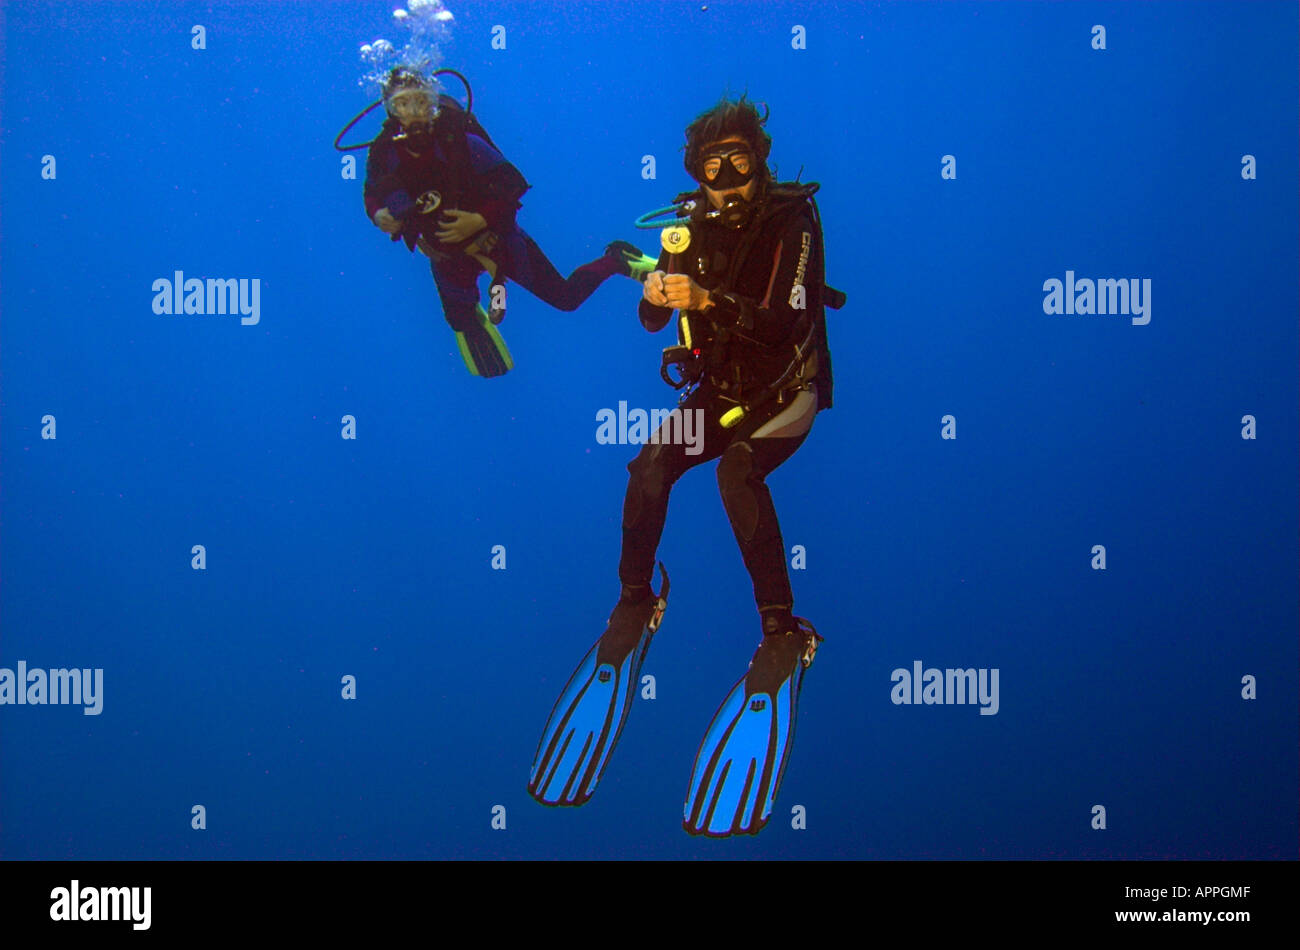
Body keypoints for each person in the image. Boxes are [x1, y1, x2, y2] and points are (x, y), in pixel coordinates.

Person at [528, 96, 842, 837]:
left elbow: (787, 322)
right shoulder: (687, 225)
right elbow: (651, 321)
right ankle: (635, 603)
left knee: (738, 474)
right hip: (720, 391)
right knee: (647, 468)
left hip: (785, 393)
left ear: (761, 160)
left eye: (741, 161)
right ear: (695, 172)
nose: (728, 180)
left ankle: (782, 633)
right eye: (713, 166)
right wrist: (655, 293)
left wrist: (707, 296)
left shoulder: (791, 222)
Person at [364, 67, 656, 377]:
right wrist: (378, 215)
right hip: (445, 257)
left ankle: (617, 260)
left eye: (421, 102)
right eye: (402, 104)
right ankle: (474, 314)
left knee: (567, 298)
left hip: (498, 243)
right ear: (389, 108)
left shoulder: (460, 141)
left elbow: (513, 183)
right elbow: (372, 194)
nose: (413, 113)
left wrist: (478, 220)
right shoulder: (383, 154)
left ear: (434, 104)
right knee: (460, 320)